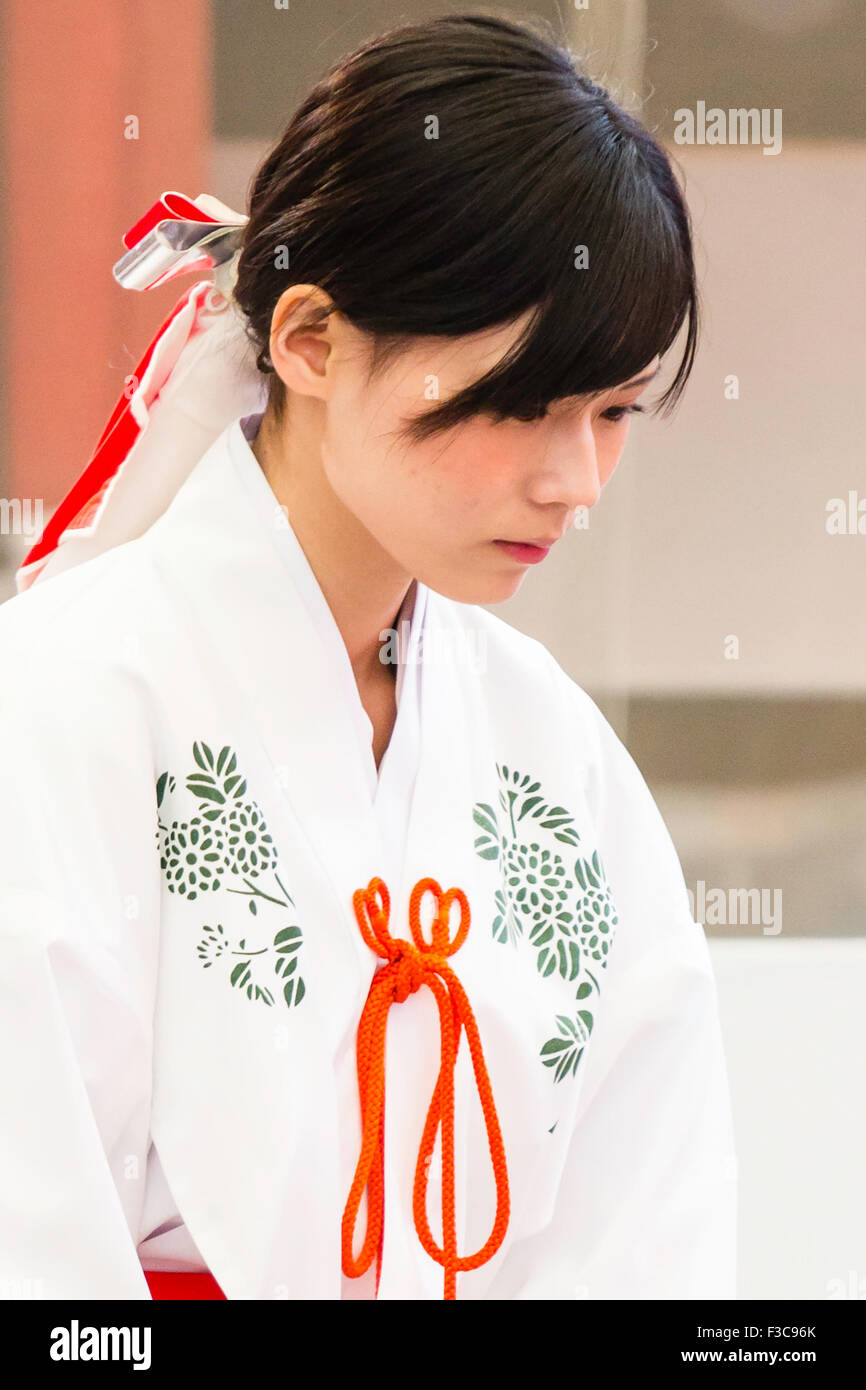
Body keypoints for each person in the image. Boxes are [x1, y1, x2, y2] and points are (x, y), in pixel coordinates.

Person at [0, 12, 737, 1301]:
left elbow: (651, 1228)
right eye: (522, 403)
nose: (577, 482)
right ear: (311, 342)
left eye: (613, 410)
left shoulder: (557, 755)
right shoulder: (65, 703)